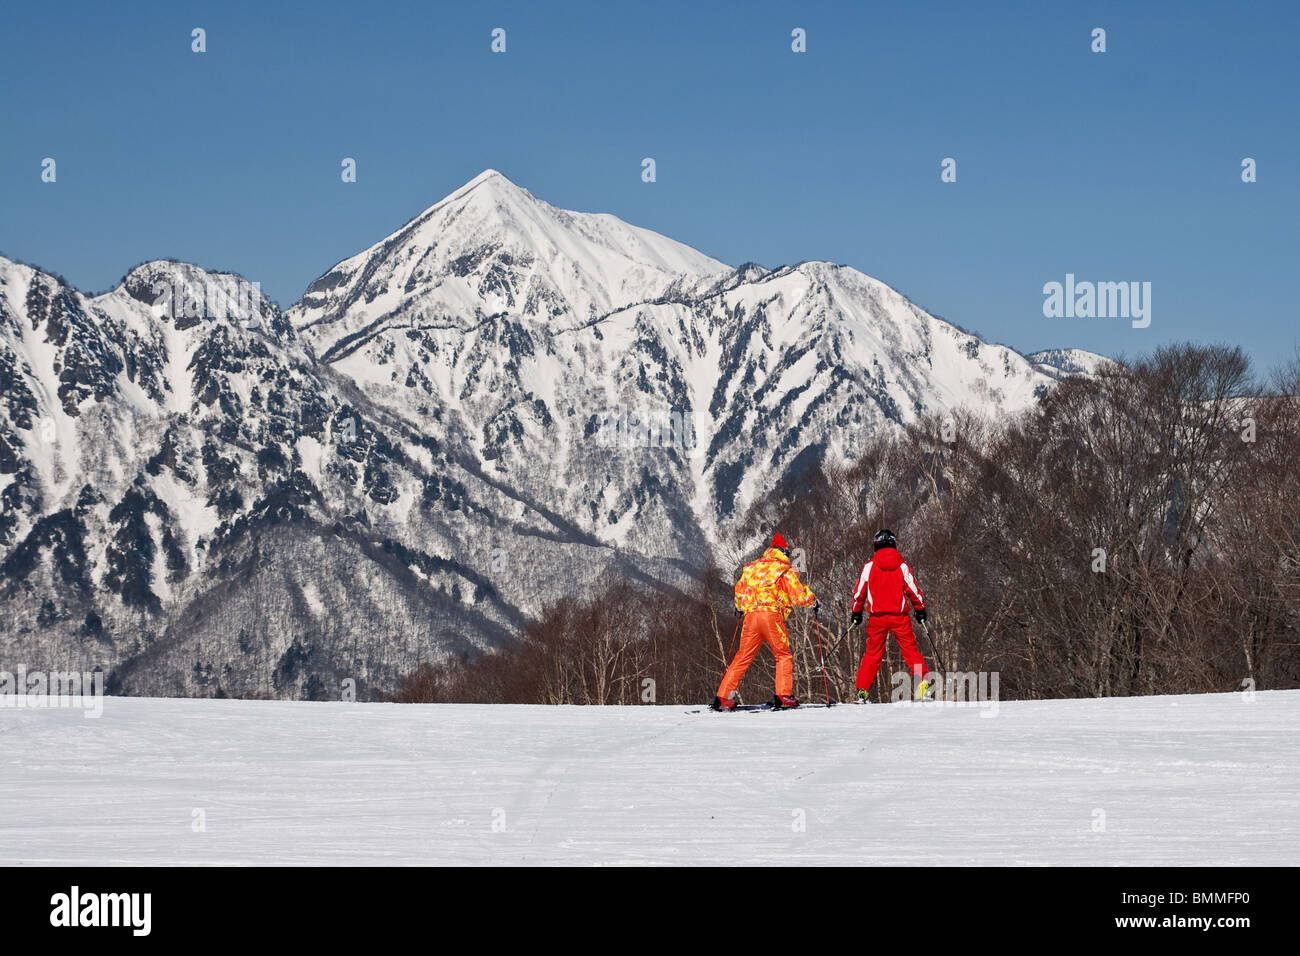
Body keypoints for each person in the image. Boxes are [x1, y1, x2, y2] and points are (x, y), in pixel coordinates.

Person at [711, 532, 818, 710]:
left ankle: (723, 698)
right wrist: (814, 602)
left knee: (742, 657)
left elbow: (739, 593)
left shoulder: (751, 568)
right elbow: (798, 594)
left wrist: (740, 606)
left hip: (751, 617)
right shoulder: (784, 568)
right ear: (783, 551)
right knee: (783, 655)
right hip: (771, 617)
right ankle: (784, 696)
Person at [849, 529, 933, 702]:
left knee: (872, 654)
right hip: (899, 617)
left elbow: (859, 593)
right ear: (894, 544)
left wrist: (856, 613)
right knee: (910, 651)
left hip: (877, 618)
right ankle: (923, 684)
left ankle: (863, 690)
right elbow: (914, 591)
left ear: (876, 545)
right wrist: (920, 610)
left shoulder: (869, 567)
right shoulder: (902, 566)